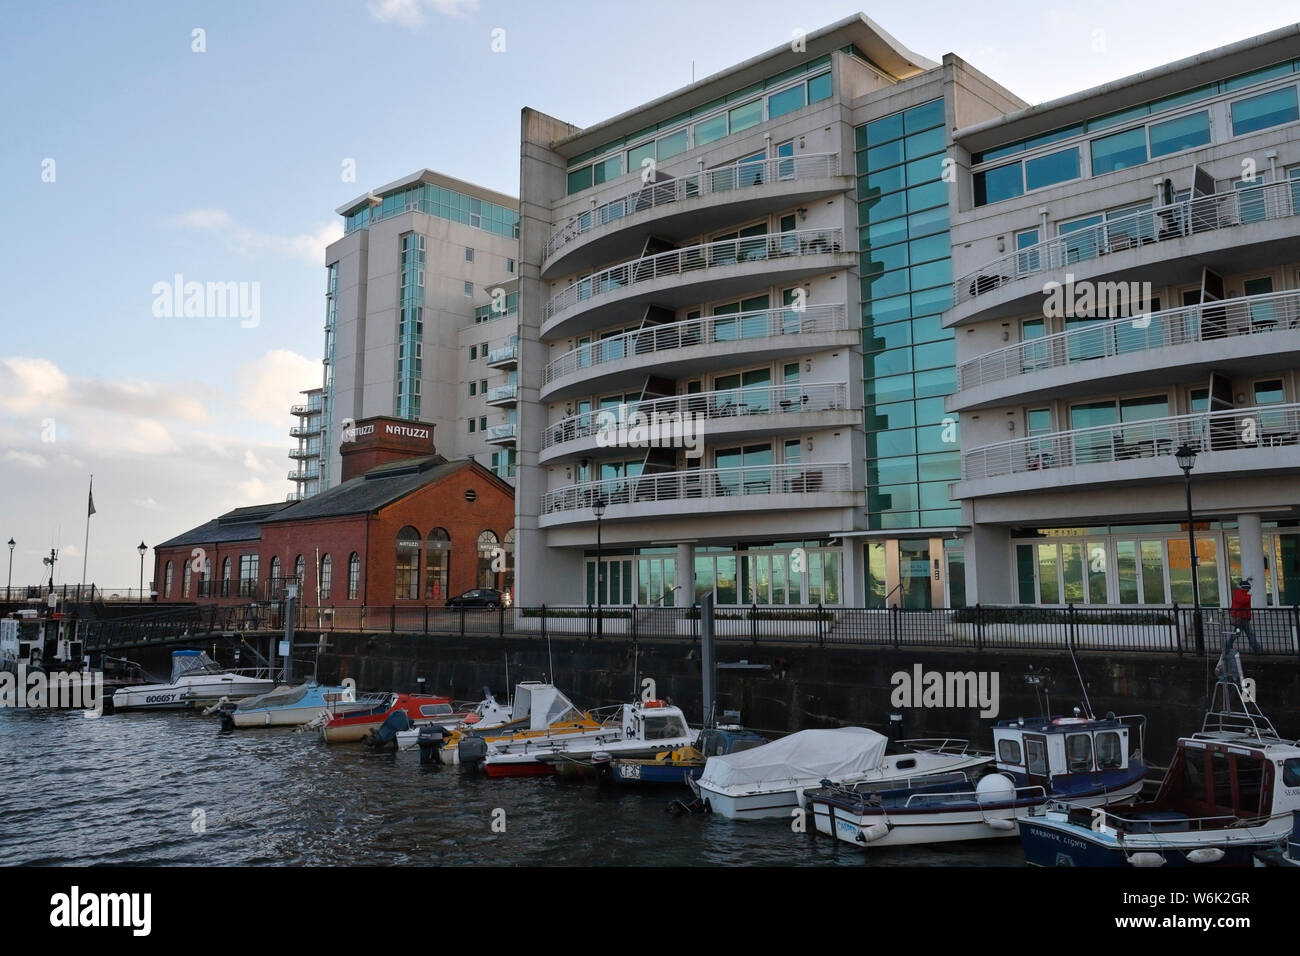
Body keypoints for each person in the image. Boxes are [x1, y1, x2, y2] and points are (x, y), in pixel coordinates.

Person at [1229, 578, 1263, 654]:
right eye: (1247, 589)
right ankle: (1258, 650)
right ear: (1244, 588)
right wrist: (1249, 596)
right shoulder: (1239, 593)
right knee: (1248, 634)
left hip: (1241, 617)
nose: (1248, 591)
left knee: (1237, 634)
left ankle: (1227, 647)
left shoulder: (1239, 592)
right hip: (1241, 617)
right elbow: (1242, 601)